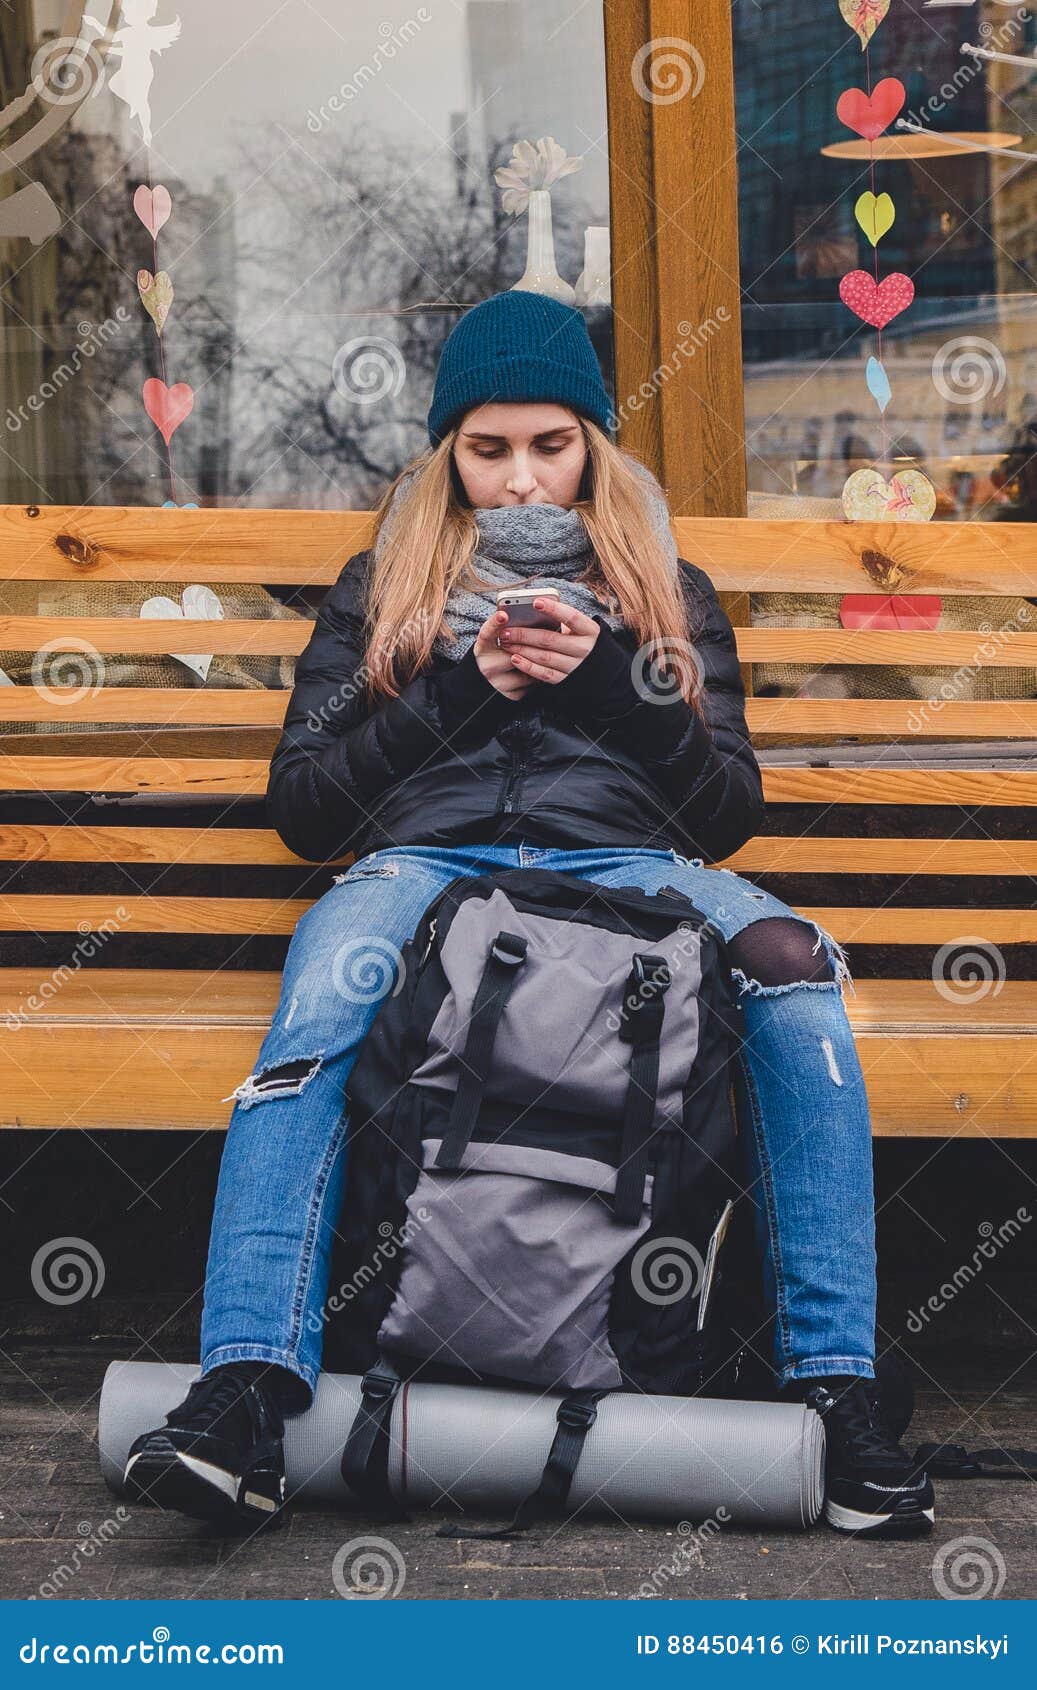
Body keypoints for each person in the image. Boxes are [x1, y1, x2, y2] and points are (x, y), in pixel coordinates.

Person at [123, 289, 934, 1541]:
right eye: (486, 448)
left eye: (547, 446)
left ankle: (839, 1397)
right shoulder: (381, 583)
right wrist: (459, 690)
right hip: (424, 866)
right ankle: (244, 1392)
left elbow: (723, 815)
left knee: (790, 962)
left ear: (592, 446)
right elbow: (304, 807)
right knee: (332, 975)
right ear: (447, 451)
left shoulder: (666, 586)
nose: (517, 481)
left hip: (628, 867)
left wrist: (614, 685)